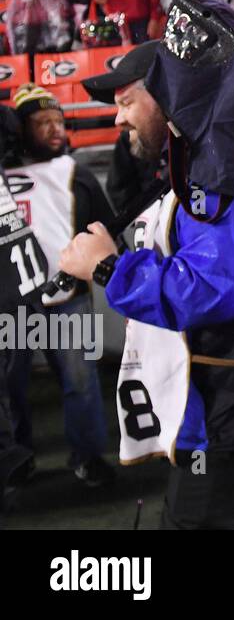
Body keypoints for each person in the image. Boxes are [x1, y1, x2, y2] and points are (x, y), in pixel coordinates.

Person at [60, 35, 234, 527]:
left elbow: (215, 290)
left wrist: (109, 269)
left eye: (126, 103)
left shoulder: (221, 171)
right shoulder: (201, 162)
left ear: (168, 96)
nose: (118, 118)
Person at [2, 85, 117, 489]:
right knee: (10, 388)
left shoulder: (75, 171)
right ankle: (18, 459)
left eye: (58, 121)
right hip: (11, 305)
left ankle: (87, 456)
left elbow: (106, 226)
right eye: (42, 122)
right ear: (19, 129)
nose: (55, 129)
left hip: (66, 299)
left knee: (81, 382)